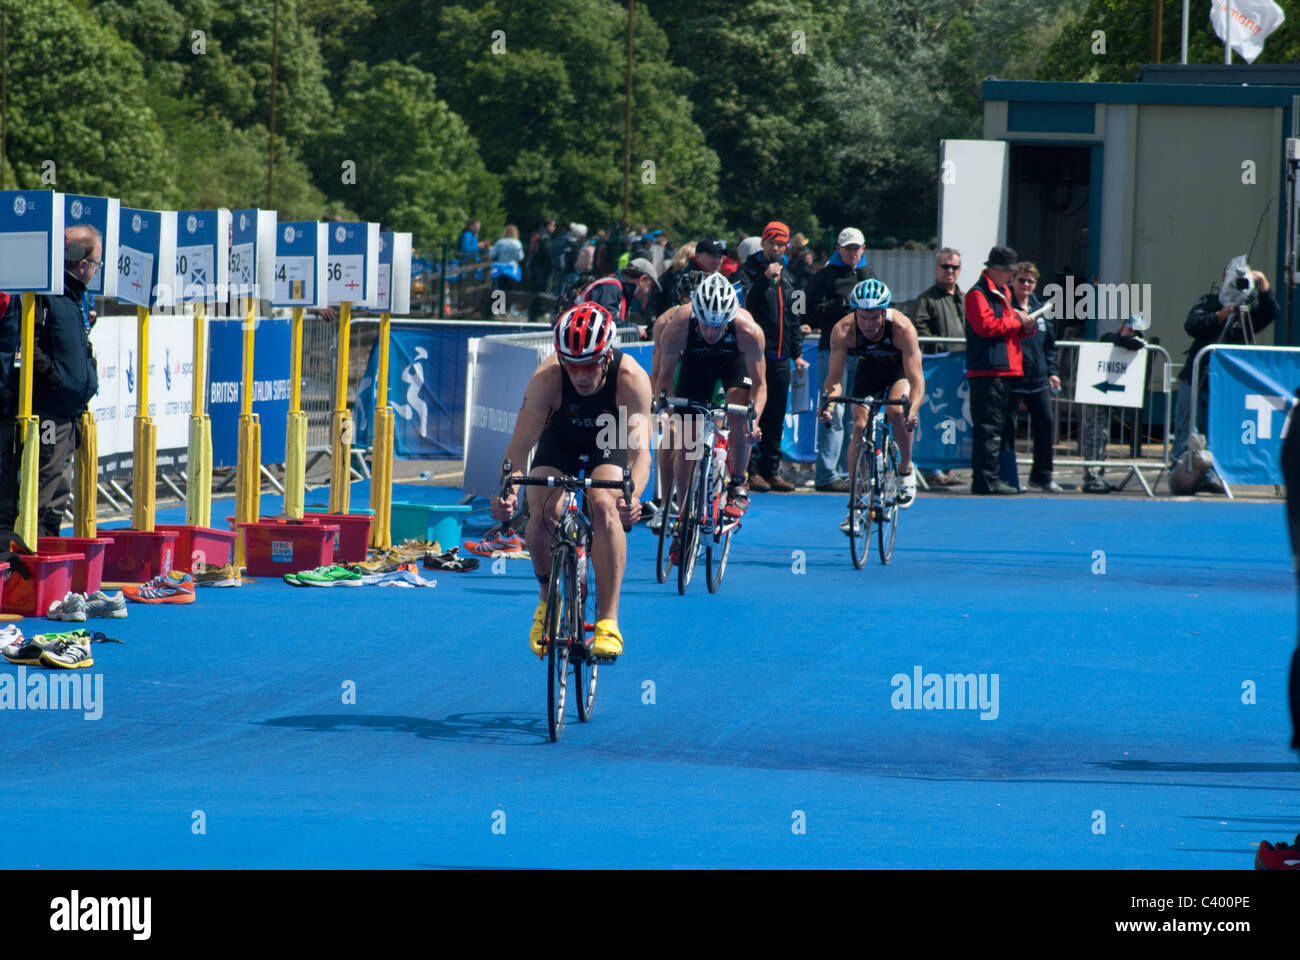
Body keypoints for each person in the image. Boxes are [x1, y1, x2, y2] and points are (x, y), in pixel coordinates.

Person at [490, 303, 651, 660]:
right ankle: (547, 604)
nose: (580, 374)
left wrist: (633, 496)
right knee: (542, 509)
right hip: (559, 440)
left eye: (590, 364)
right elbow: (518, 450)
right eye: (572, 364)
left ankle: (608, 620)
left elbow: (642, 455)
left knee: (606, 505)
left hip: (608, 441)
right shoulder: (547, 379)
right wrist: (507, 492)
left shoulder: (631, 378)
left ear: (607, 355)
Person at [650, 272, 766, 554]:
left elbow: (761, 386)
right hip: (696, 365)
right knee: (687, 441)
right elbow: (664, 377)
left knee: (738, 415)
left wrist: (755, 420)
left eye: (718, 326)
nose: (712, 333)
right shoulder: (679, 323)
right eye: (705, 325)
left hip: (733, 363)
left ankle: (738, 483)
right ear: (695, 315)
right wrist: (664, 409)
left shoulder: (748, 331)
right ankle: (684, 511)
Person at [0, 226, 101, 536]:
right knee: (45, 491)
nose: (97, 271)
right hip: (49, 412)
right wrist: (56, 381)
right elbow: (28, 344)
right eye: (97, 264)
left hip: (64, 411)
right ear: (82, 265)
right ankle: (34, 562)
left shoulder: (72, 299)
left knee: (55, 490)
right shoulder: (48, 295)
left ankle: (42, 556)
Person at [818, 279, 924, 531]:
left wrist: (914, 409)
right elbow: (833, 380)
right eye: (862, 318)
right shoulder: (843, 330)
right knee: (858, 426)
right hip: (869, 370)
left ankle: (905, 468)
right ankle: (856, 505)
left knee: (897, 410)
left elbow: (917, 379)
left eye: (874, 318)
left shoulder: (902, 328)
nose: (867, 324)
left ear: (884, 312)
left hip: (899, 371)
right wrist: (829, 405)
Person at [1172, 261, 1277, 492]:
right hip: (1196, 377)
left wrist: (1263, 285)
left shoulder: (1245, 314)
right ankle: (1179, 473)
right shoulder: (1209, 301)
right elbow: (1191, 325)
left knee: (1212, 433)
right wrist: (1219, 315)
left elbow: (1271, 312)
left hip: (1222, 385)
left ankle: (1206, 476)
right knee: (1186, 429)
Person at [737, 221, 808, 492]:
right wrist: (764, 277)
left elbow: (796, 317)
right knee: (753, 411)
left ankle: (771, 469)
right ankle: (750, 470)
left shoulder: (791, 278)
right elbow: (745, 303)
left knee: (776, 415)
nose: (776, 248)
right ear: (763, 244)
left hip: (780, 358)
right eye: (772, 243)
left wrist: (798, 354)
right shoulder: (748, 271)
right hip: (755, 355)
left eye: (781, 244)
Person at [964, 245, 1036, 495]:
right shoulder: (977, 294)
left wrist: (1026, 325)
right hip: (987, 370)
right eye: (1008, 271)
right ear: (994, 269)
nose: (1011, 276)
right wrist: (1017, 321)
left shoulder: (1002, 291)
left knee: (998, 426)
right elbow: (985, 326)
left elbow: (1005, 325)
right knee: (988, 427)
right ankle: (985, 480)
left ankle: (993, 477)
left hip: (1004, 368)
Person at [805, 227, 872, 492]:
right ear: (838, 249)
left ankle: (849, 471)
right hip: (832, 351)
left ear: (863, 249)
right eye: (848, 248)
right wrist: (842, 305)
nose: (853, 253)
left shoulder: (868, 275)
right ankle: (827, 474)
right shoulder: (822, 277)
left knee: (857, 413)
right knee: (834, 410)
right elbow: (807, 312)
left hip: (863, 352)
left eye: (857, 248)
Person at [1003, 262, 1061, 493]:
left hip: (1037, 378)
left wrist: (1053, 371)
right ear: (1013, 281)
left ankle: (1042, 476)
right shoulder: (1005, 306)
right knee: (1008, 427)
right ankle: (1008, 476)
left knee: (1045, 424)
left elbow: (1050, 344)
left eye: (1030, 281)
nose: (1026, 285)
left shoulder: (1040, 307)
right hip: (1013, 376)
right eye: (1021, 280)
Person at [911, 247, 967, 487]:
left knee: (954, 419)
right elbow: (920, 330)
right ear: (937, 269)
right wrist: (944, 346)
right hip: (937, 368)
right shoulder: (927, 299)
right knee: (934, 418)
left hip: (959, 369)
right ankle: (931, 468)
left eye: (954, 267)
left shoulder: (963, 298)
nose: (950, 271)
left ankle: (946, 465)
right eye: (945, 266)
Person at [1081, 315, 1149, 494]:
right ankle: (1092, 476)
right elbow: (1109, 339)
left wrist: (1136, 342)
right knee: (1095, 433)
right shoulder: (1109, 338)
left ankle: (1098, 474)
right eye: (1129, 329)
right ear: (1122, 327)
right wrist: (1125, 340)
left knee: (1103, 435)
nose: (1131, 334)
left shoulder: (1139, 347)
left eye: (1136, 332)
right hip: (1095, 393)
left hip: (1116, 395)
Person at [489, 225, 525, 297]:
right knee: (511, 291)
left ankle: (501, 307)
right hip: (513, 269)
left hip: (501, 269)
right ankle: (509, 306)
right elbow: (521, 257)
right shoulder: (517, 243)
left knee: (501, 291)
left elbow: (492, 254)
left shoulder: (500, 242)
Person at [527, 218, 556, 293]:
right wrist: (552, 264)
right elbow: (547, 252)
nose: (554, 228)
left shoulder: (536, 233)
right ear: (548, 225)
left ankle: (532, 304)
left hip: (533, 263)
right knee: (544, 289)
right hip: (543, 266)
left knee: (534, 287)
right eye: (553, 225)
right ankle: (541, 305)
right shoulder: (546, 236)